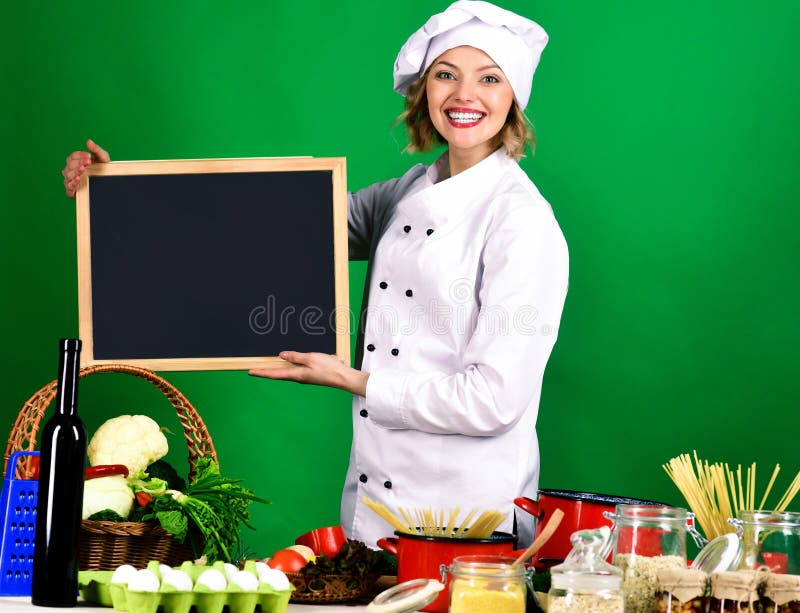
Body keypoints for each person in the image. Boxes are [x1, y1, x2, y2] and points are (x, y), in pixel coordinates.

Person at [61, 0, 569, 548]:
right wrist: (120, 195)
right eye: (446, 74)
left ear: (513, 96)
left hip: (470, 523)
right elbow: (271, 231)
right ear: (425, 90)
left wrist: (351, 380)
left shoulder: (522, 222)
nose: (464, 95)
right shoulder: (408, 192)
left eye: (488, 78)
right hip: (376, 505)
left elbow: (493, 401)